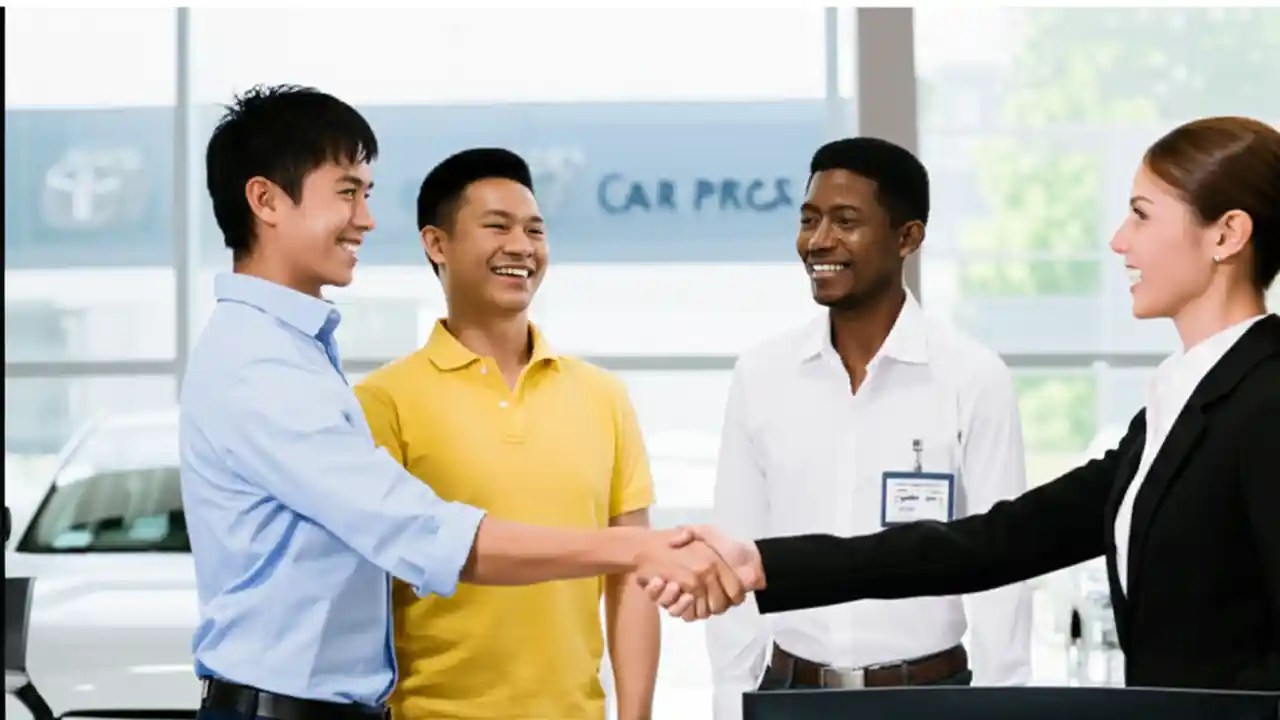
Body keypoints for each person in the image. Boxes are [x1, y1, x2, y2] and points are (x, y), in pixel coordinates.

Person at [653, 116, 1280, 691]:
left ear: (1226, 234)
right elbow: (988, 545)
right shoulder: (1175, 409)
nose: (1119, 240)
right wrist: (764, 562)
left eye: (1142, 215)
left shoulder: (1266, 400)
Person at [181, 85, 744, 720]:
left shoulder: (294, 350)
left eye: (366, 194)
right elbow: (420, 535)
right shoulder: (262, 365)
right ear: (265, 200)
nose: (366, 218)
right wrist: (639, 549)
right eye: (347, 191)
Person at [703, 137, 1030, 717]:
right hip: (791, 693)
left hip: (930, 697)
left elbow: (1004, 571)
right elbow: (734, 553)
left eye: (846, 221)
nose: (819, 241)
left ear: (908, 237)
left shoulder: (972, 377)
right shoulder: (761, 374)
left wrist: (1004, 705)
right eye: (809, 219)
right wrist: (733, 702)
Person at [353, 148, 659, 720]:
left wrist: (635, 716)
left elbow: (634, 575)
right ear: (436, 244)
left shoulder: (603, 397)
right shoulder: (382, 403)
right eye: (497, 226)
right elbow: (366, 595)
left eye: (535, 230)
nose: (522, 246)